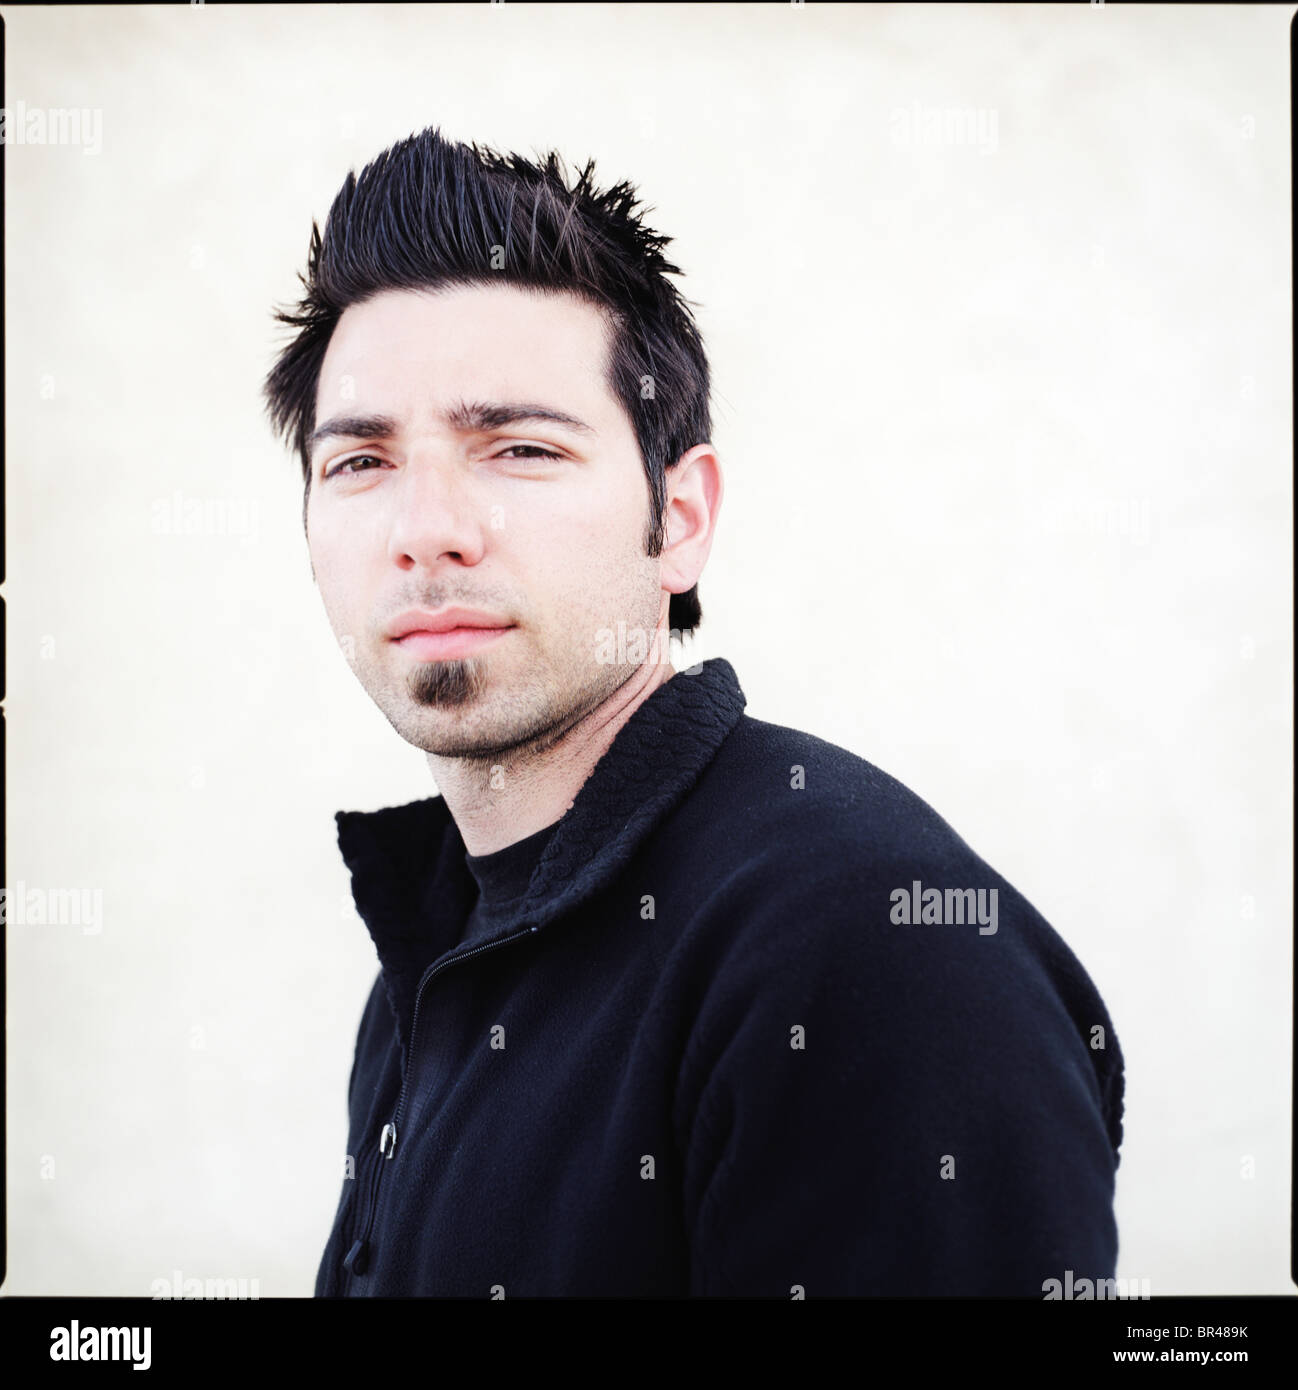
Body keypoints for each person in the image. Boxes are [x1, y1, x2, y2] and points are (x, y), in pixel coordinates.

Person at [262, 126, 1124, 1298]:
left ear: (679, 520)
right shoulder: (438, 946)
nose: (428, 525)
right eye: (360, 462)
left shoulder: (864, 952)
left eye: (516, 447)